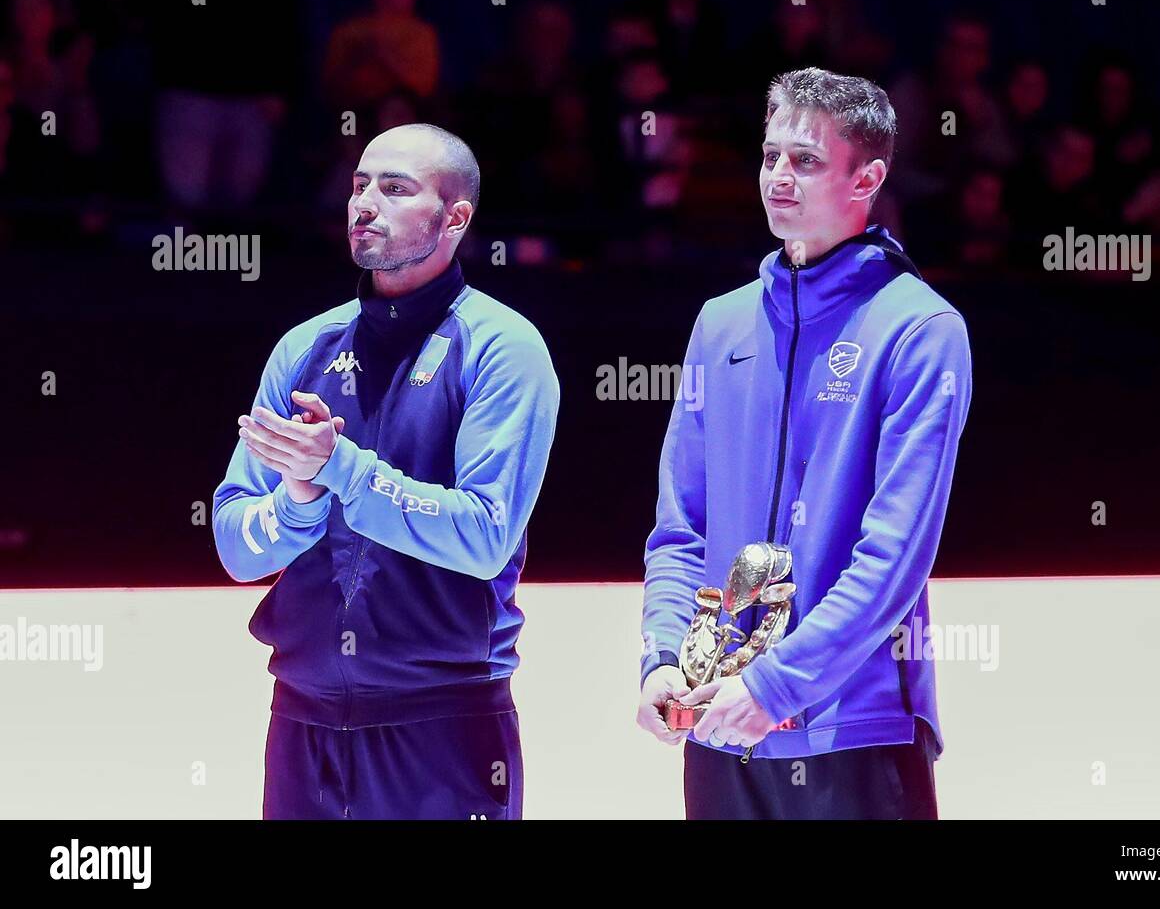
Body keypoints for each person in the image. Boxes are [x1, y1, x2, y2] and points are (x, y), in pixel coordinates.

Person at [637, 68, 973, 819]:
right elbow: (679, 527)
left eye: (807, 161)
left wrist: (775, 686)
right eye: (769, 156)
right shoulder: (719, 325)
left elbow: (894, 558)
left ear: (869, 178)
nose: (779, 178)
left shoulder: (920, 330)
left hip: (854, 732)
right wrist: (662, 657)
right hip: (722, 729)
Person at [213, 123, 560, 819]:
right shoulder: (305, 347)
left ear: (455, 217)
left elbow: (486, 535)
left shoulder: (502, 348)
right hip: (302, 725)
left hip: (444, 730)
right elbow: (234, 546)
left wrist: (343, 470)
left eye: (395, 188)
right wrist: (299, 502)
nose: (364, 203)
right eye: (358, 184)